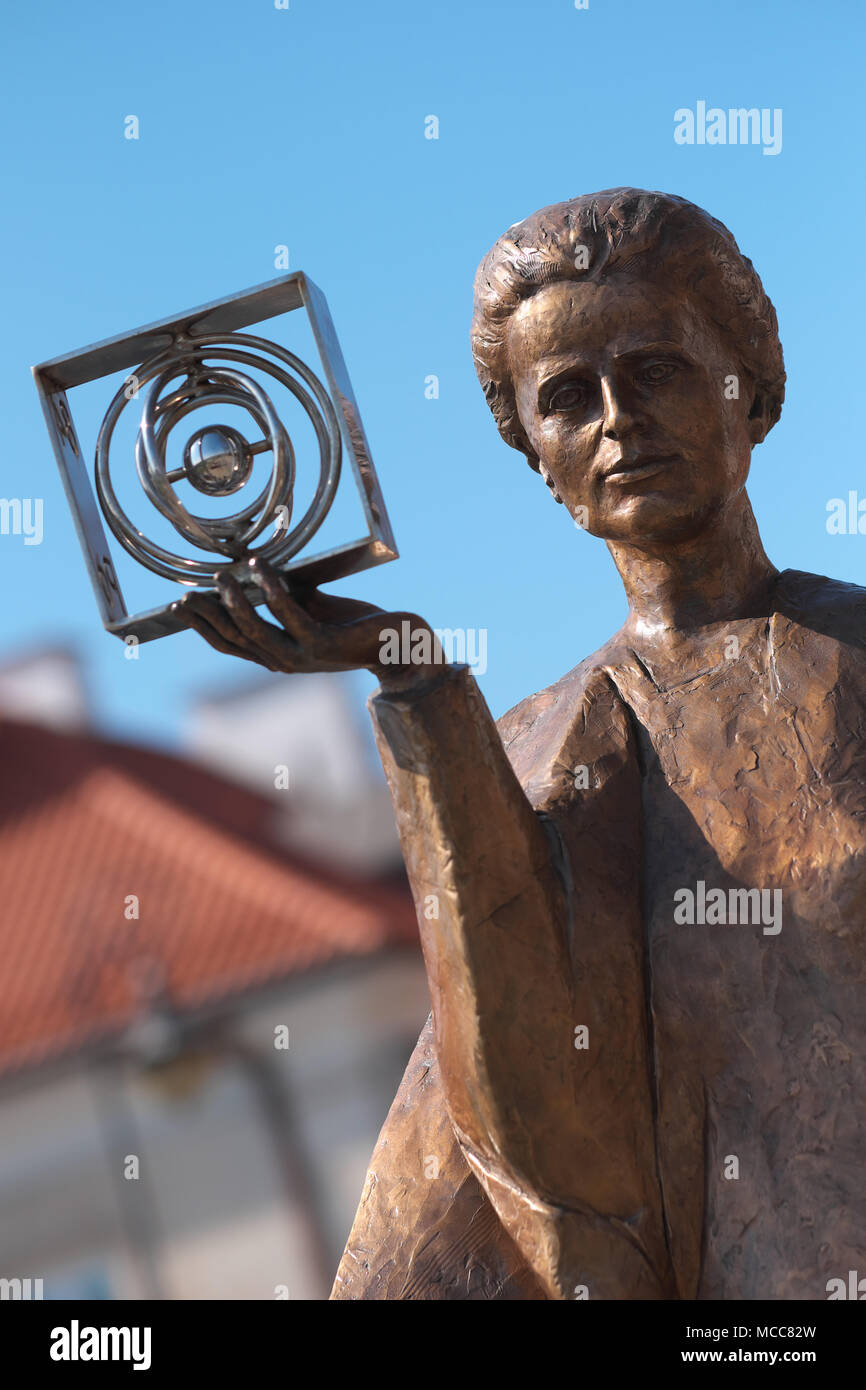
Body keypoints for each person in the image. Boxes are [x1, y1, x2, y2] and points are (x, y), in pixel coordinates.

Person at [178, 189, 866, 1300]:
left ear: (750, 384)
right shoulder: (538, 744)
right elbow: (539, 1144)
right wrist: (416, 682)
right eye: (565, 397)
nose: (615, 420)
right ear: (538, 459)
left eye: (656, 368)